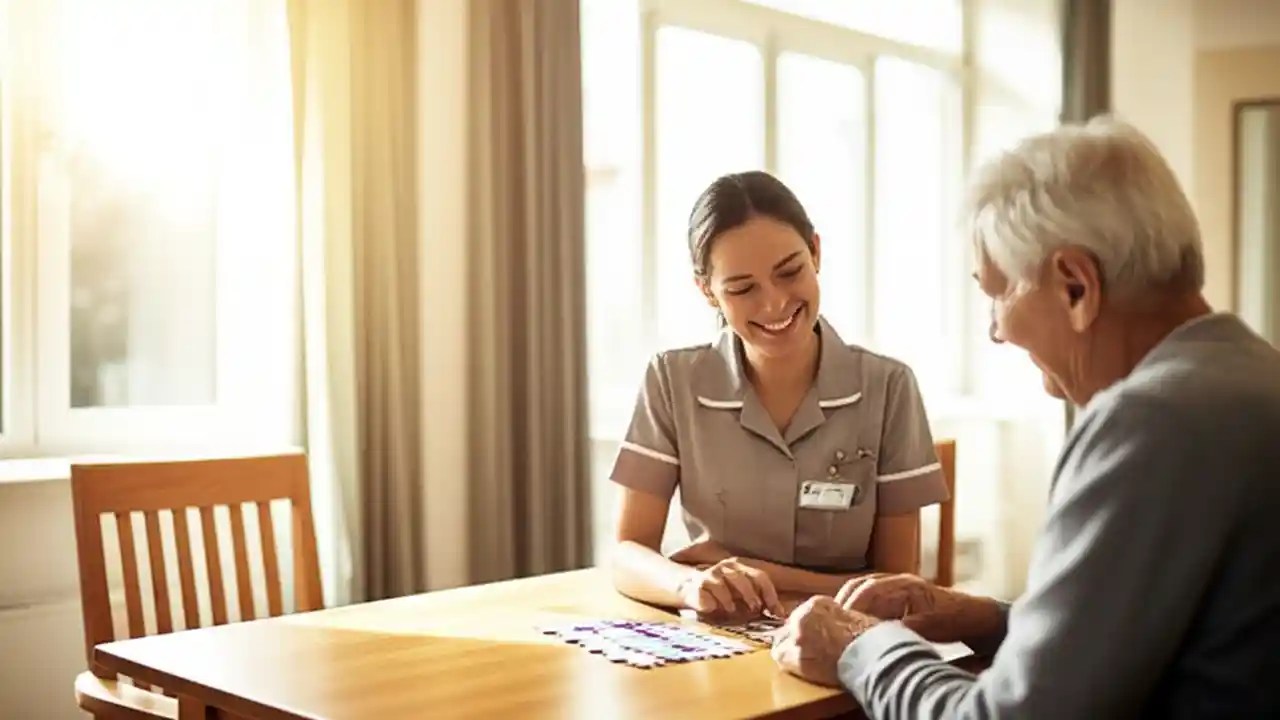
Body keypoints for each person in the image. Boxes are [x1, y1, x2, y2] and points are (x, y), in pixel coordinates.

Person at [772, 118, 1280, 718]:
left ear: (1075, 286)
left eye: (998, 291)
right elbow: (1157, 643)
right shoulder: (1252, 377)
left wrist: (861, 649)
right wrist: (990, 619)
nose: (995, 330)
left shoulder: (1148, 422)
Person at [608, 171, 949, 619]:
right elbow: (627, 553)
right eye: (742, 288)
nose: (773, 304)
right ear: (707, 291)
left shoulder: (889, 388)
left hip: (844, 639)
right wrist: (689, 583)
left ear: (816, 252)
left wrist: (756, 573)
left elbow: (895, 586)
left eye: (790, 272)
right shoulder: (672, 381)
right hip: (715, 638)